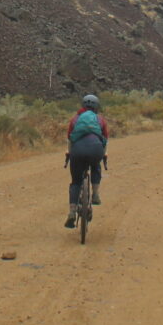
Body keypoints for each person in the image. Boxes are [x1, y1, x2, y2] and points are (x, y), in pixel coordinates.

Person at [64, 92, 108, 228]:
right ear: (96, 107)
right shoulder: (100, 120)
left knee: (76, 182)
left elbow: (70, 138)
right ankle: (95, 194)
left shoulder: (75, 119)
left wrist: (69, 153)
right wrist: (104, 154)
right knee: (95, 166)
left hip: (77, 150)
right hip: (96, 149)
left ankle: (72, 211)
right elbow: (105, 140)